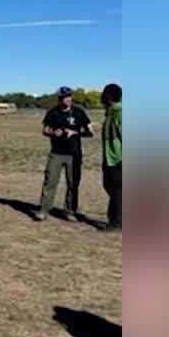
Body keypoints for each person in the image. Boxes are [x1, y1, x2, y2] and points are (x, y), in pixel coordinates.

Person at [35, 86, 95, 222]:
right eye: (63, 97)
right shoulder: (53, 112)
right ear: (59, 98)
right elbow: (44, 130)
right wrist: (52, 132)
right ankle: (44, 210)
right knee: (50, 181)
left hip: (74, 154)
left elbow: (90, 132)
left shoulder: (79, 112)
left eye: (68, 96)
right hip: (56, 153)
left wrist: (75, 133)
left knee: (73, 183)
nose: (66, 99)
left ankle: (70, 211)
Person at [99, 83, 122, 232]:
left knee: (116, 189)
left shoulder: (120, 113)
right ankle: (114, 218)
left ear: (108, 96)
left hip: (117, 158)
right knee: (110, 187)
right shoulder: (111, 112)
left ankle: (117, 221)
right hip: (109, 157)